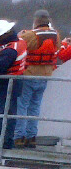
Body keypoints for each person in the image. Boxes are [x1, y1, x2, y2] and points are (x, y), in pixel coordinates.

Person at [14, 10, 61, 148]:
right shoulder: (56, 35)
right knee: (35, 107)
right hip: (45, 76)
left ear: (36, 21)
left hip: (29, 74)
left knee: (22, 106)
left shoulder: (30, 35)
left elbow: (18, 45)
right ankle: (31, 138)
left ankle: (18, 138)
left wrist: (20, 35)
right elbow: (57, 48)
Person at [0, 19, 27, 149]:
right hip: (12, 84)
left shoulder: (10, 50)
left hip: (4, 86)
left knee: (0, 115)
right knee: (9, 114)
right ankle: (5, 142)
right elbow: (3, 57)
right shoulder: (17, 43)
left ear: (4, 35)